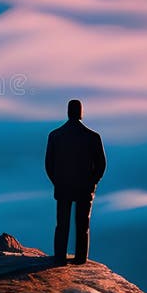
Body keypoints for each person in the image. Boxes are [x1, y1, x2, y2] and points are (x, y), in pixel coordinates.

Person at [44, 99, 106, 265]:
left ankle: (59, 257)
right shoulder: (93, 137)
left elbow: (48, 164)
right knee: (82, 224)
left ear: (68, 112)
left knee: (62, 224)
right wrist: (92, 182)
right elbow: (101, 165)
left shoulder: (55, 136)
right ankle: (80, 258)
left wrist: (57, 181)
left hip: (63, 186)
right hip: (84, 188)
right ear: (81, 113)